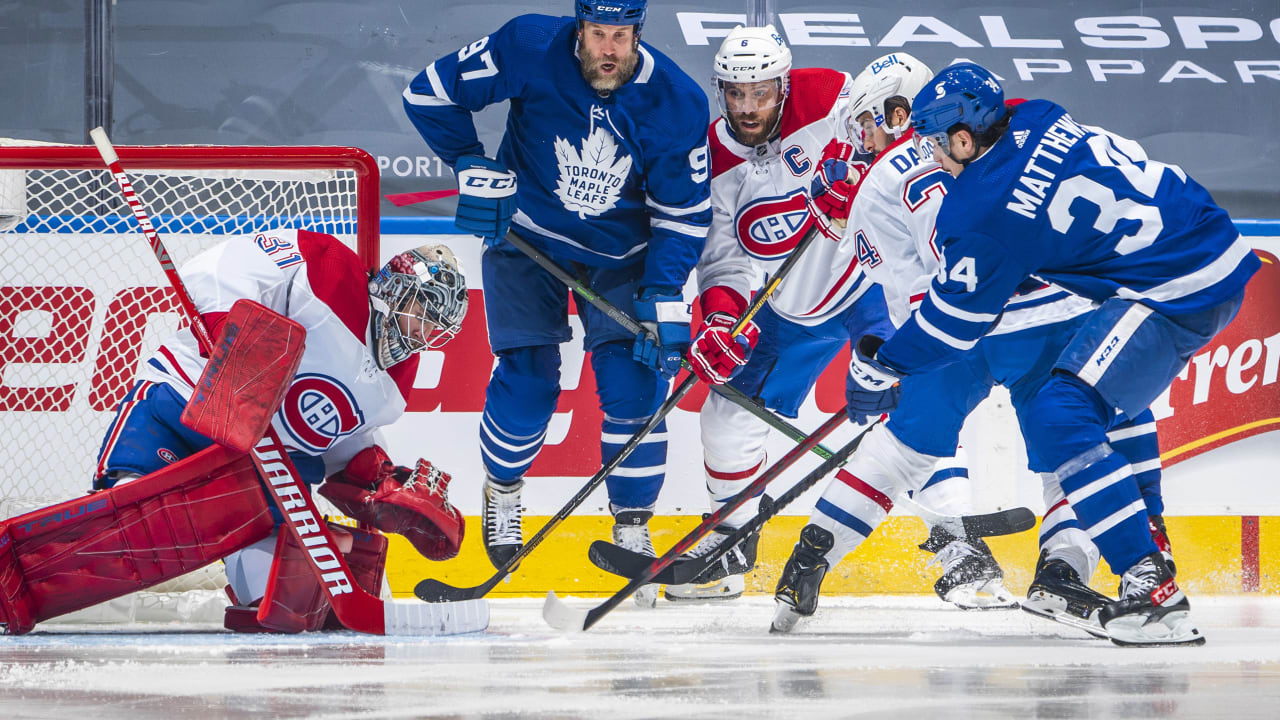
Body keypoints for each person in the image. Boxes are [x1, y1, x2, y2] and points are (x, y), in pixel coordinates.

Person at [841, 62, 1258, 646]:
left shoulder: (982, 210)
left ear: (964, 138)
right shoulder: (1037, 113)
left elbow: (952, 328)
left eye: (936, 143)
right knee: (1107, 405)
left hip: (1173, 285)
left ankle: (1152, 587)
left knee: (1059, 413)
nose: (932, 155)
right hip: (1206, 237)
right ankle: (1150, 544)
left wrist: (880, 363)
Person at [672, 34, 1008, 608]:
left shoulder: (827, 93)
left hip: (869, 283)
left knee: (915, 401)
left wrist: (855, 172)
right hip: (788, 306)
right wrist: (723, 318)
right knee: (725, 417)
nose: (748, 107)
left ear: (783, 82)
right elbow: (726, 254)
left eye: (760, 92)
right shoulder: (716, 156)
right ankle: (731, 542)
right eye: (735, 94)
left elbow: (899, 131)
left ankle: (960, 546)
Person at [402, 0, 711, 606]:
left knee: (634, 386)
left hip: (622, 258)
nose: (608, 49)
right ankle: (504, 490)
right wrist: (470, 165)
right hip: (525, 240)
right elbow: (429, 94)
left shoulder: (677, 101)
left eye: (620, 36)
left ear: (637, 34)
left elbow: (684, 215)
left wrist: (662, 290)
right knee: (528, 385)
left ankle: (632, 530)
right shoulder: (529, 46)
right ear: (579, 27)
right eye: (598, 33)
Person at [94, 230, 470, 631]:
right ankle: (93, 536)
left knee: (281, 606)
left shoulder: (393, 389)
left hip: (263, 474)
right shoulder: (328, 266)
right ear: (395, 288)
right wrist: (232, 328)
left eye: (435, 327)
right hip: (185, 410)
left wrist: (376, 479)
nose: (422, 334)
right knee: (126, 522)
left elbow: (344, 442)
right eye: (422, 313)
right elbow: (216, 267)